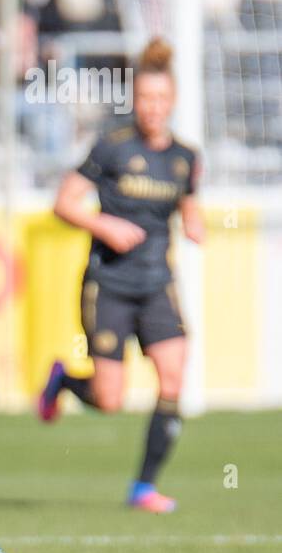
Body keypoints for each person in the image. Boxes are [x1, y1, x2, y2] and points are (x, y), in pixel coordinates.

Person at [38, 38, 204, 513]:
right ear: (136, 101)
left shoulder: (185, 159)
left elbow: (190, 207)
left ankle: (144, 487)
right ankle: (64, 382)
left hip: (157, 285)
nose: (152, 108)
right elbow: (63, 203)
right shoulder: (111, 149)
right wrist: (102, 223)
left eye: (161, 100)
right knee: (110, 399)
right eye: (145, 99)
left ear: (172, 103)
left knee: (173, 377)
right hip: (108, 284)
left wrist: (195, 224)